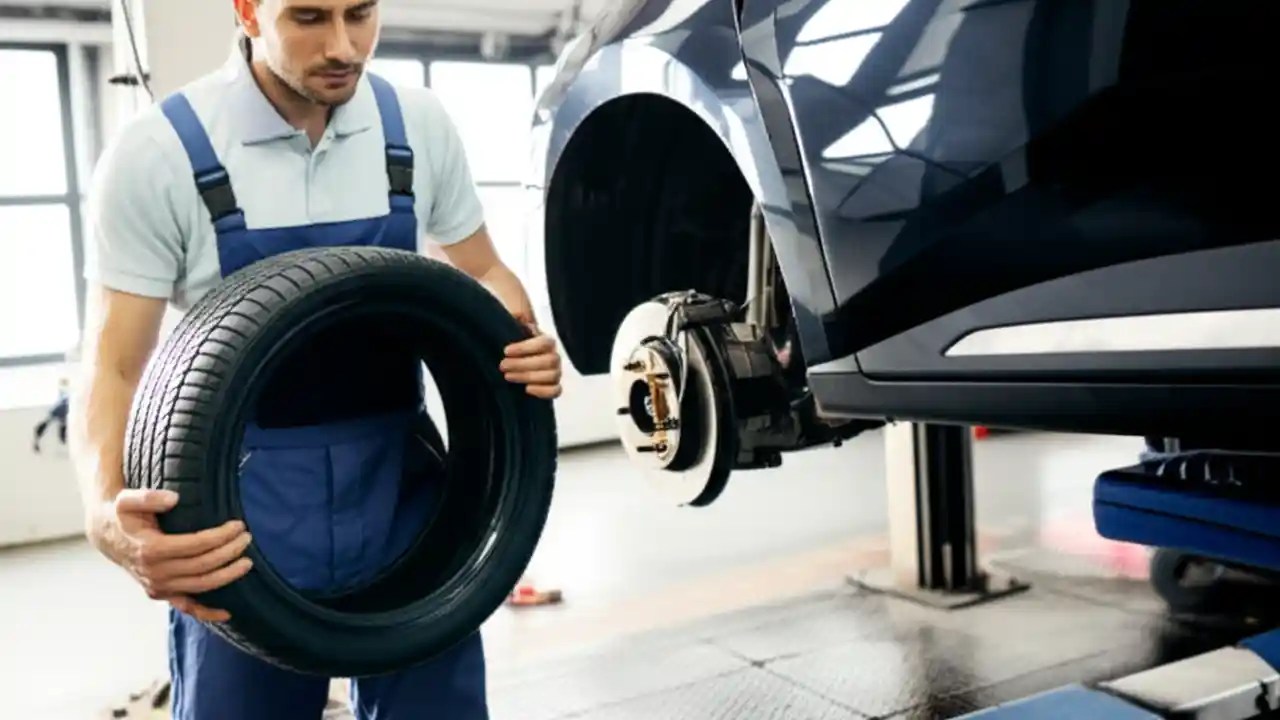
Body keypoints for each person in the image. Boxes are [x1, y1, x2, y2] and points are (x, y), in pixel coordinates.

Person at [68, 1, 563, 718]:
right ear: (246, 10)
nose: (343, 46)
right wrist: (102, 513)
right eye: (308, 17)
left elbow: (483, 273)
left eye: (360, 13)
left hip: (407, 502)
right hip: (237, 521)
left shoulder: (415, 126)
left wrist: (518, 335)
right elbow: (112, 364)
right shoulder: (162, 152)